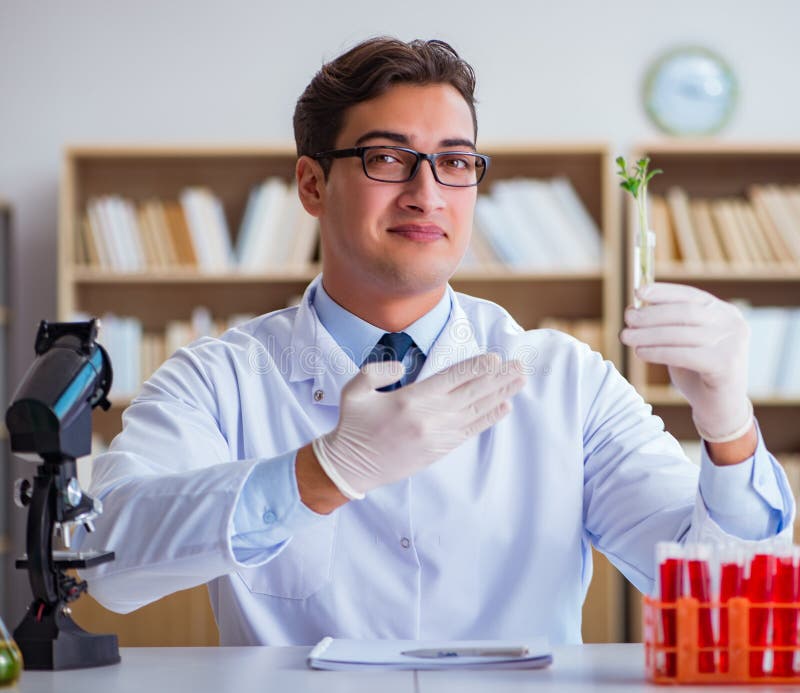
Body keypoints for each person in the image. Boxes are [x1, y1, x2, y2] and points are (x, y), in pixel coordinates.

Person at [79, 37, 793, 646]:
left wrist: (728, 429)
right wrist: (321, 473)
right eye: (388, 159)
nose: (428, 193)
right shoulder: (219, 379)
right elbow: (107, 558)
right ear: (311, 184)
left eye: (454, 162)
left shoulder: (567, 380)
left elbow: (718, 600)